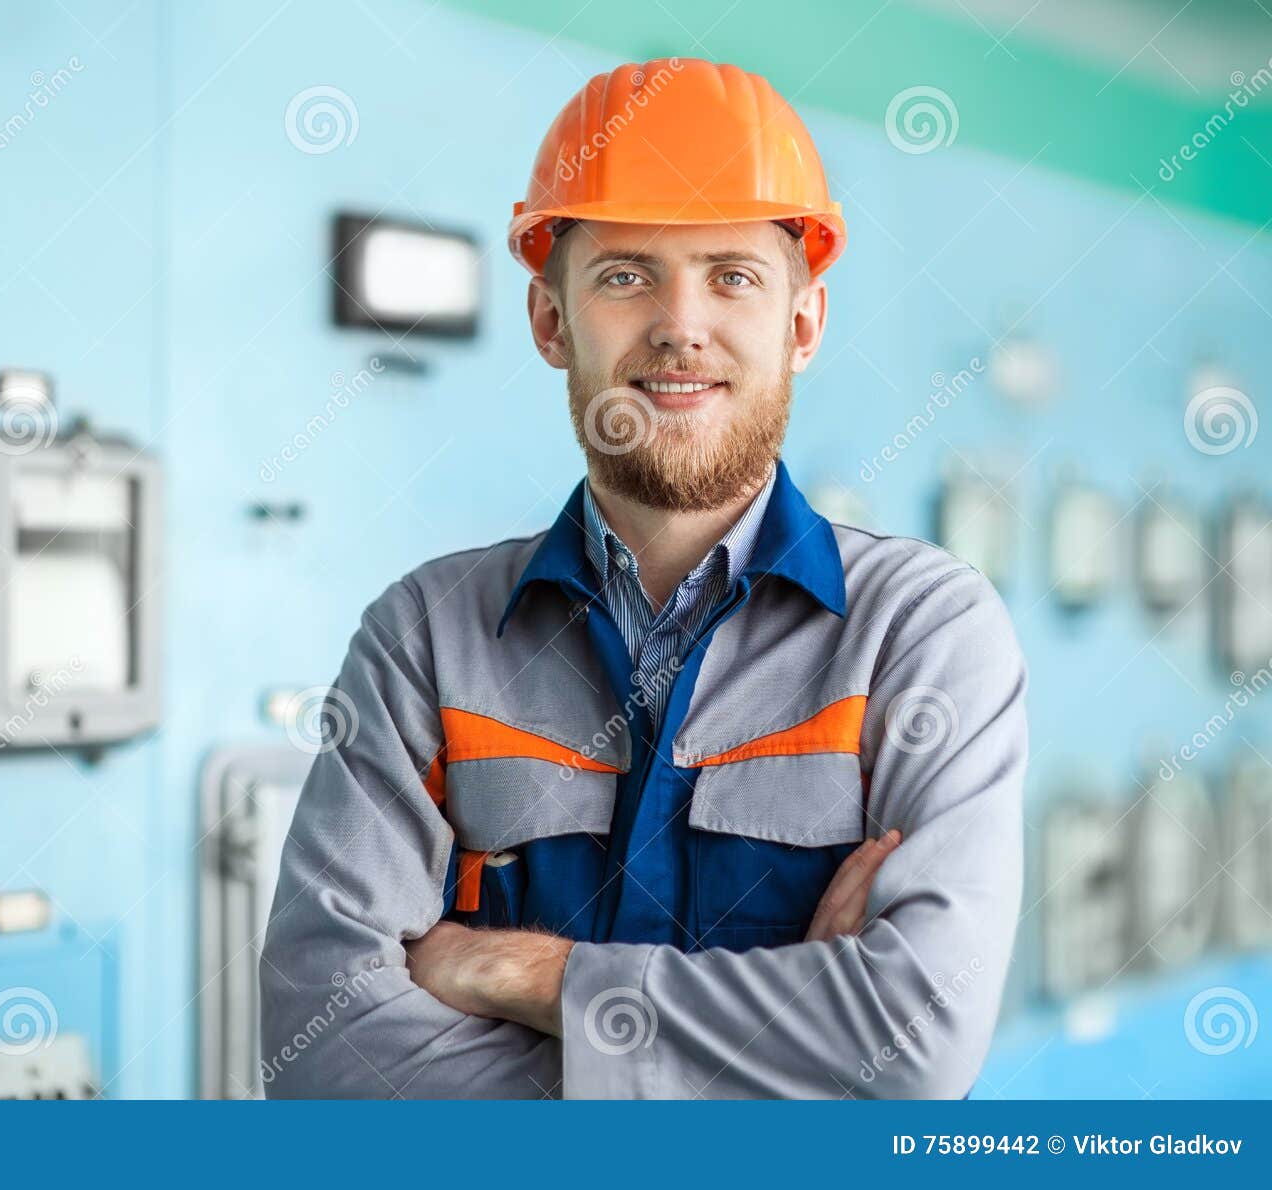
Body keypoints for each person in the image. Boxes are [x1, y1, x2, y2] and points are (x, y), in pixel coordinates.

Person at [259, 58, 1027, 1099]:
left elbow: (912, 1044)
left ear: (801, 325)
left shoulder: (919, 634)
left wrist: (520, 971)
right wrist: (781, 1040)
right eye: (624, 274)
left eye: (732, 275)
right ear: (549, 321)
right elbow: (323, 1046)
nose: (679, 325)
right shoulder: (426, 637)